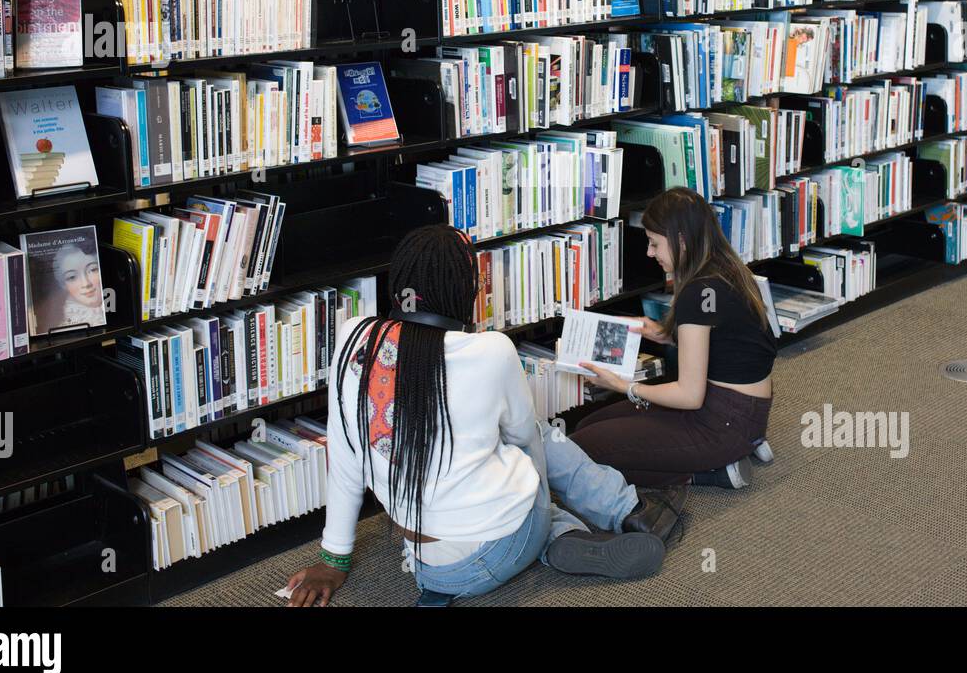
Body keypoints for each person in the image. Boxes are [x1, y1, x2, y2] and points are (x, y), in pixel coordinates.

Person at [286, 224, 684, 607]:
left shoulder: (353, 337)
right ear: (468, 290)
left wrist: (333, 559)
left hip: (432, 571)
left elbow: (344, 459)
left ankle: (562, 537)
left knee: (493, 452)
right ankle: (618, 513)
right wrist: (539, 496)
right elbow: (526, 440)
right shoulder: (491, 350)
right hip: (504, 543)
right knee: (540, 432)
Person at [570, 187, 778, 490]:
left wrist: (623, 386)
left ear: (681, 240)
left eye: (655, 244)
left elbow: (688, 396)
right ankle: (740, 446)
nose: (649, 253)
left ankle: (703, 473)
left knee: (580, 450)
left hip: (718, 421)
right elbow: (732, 343)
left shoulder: (697, 292)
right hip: (745, 411)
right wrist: (663, 334)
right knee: (587, 427)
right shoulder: (728, 270)